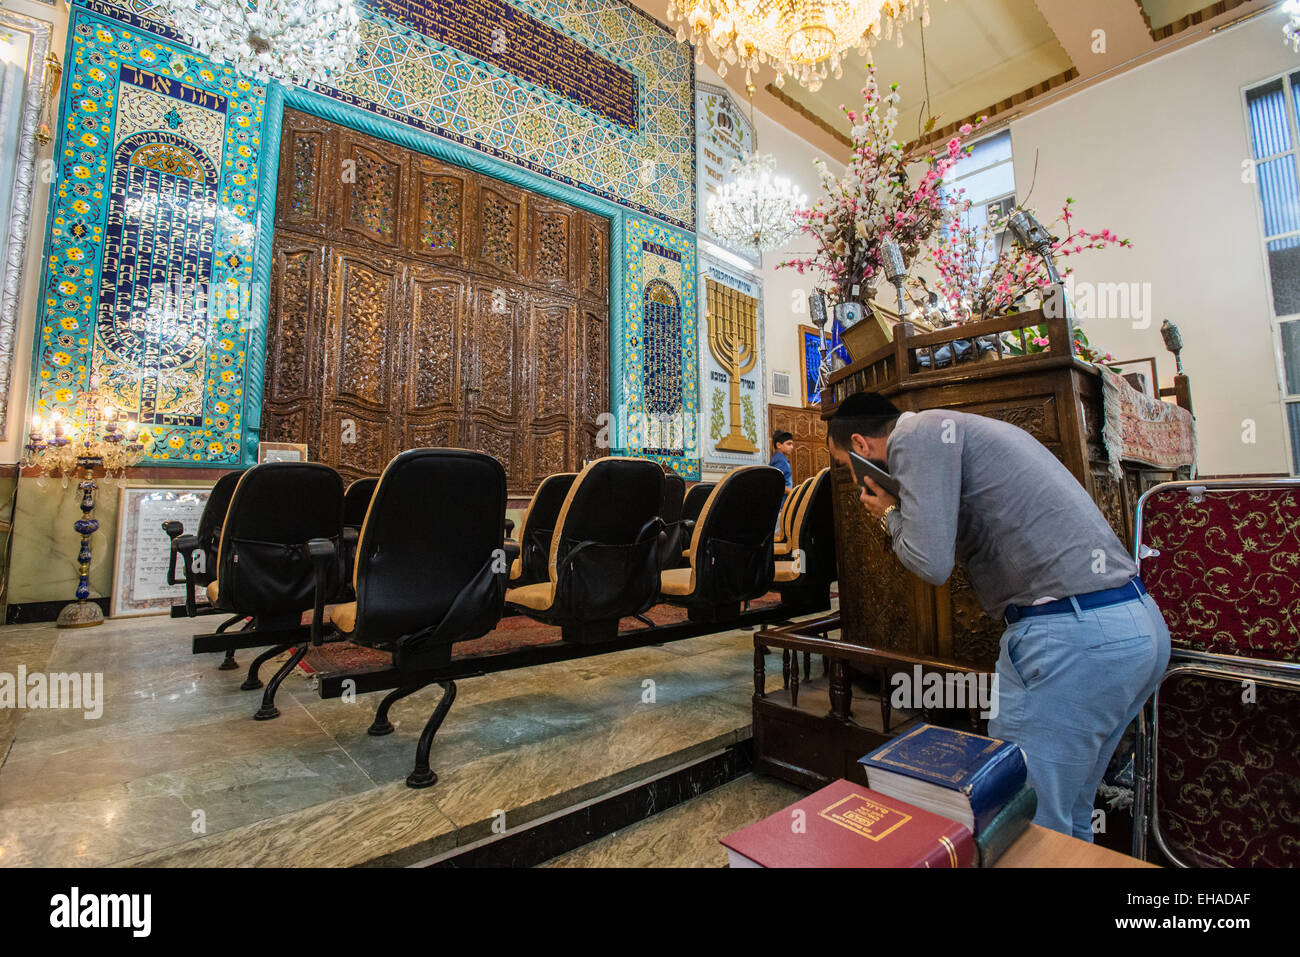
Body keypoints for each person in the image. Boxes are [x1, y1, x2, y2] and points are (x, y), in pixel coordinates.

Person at [826, 391, 1171, 842]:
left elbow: (930, 564)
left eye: (846, 465)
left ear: (861, 444)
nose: (853, 479)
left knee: (1023, 825)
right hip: (1129, 628)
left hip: (1073, 642)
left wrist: (889, 513)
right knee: (1067, 821)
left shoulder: (914, 435)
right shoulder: (956, 429)